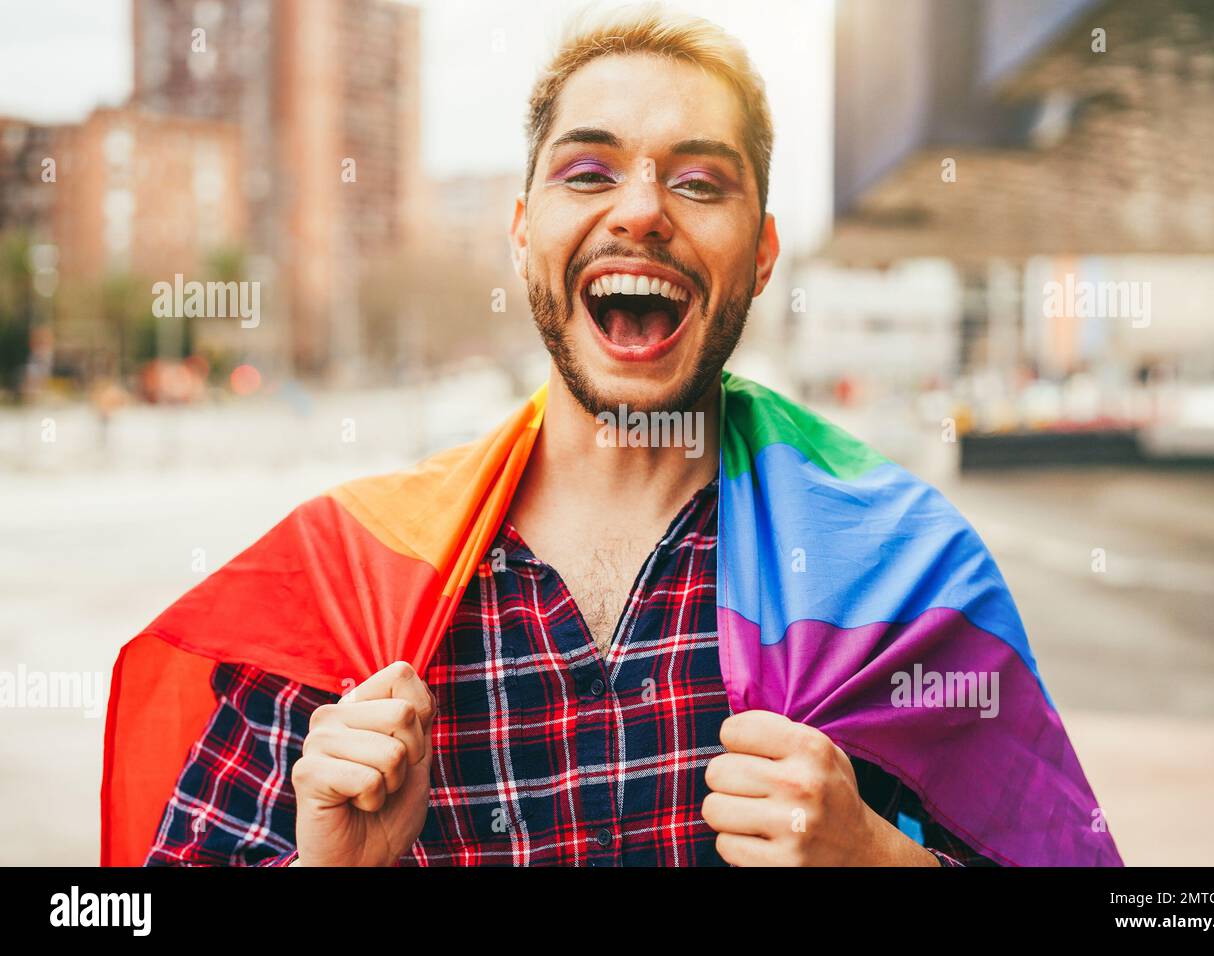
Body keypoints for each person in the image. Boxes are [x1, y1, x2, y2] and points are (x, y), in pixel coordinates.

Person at [103, 3, 1120, 868]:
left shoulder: (902, 568)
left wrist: (879, 856)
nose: (639, 210)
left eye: (698, 181)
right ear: (521, 229)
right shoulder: (352, 588)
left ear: (762, 252)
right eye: (588, 173)